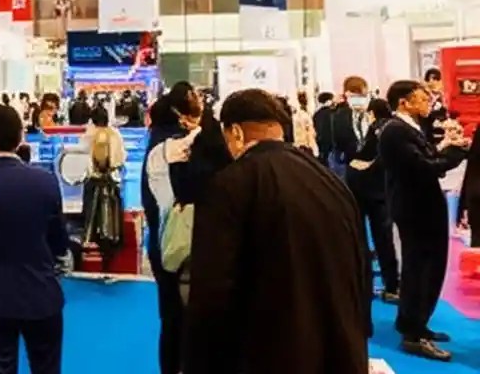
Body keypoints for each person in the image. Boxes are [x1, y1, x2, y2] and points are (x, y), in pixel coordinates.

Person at [184, 89, 367, 374]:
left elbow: (213, 284)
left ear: (235, 132)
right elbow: (360, 264)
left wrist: (201, 359)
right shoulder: (328, 179)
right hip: (336, 340)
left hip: (269, 347)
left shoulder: (229, 184)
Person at [0, 104, 67, 374]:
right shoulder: (45, 181)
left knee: (0, 368)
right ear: (19, 137)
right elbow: (59, 243)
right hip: (41, 293)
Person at [379, 79, 469, 361]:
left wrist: (448, 151)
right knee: (419, 269)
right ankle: (412, 332)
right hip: (415, 210)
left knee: (430, 267)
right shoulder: (395, 131)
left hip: (425, 206)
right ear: (404, 102)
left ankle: (418, 322)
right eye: (421, 98)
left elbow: (429, 158)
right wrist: (456, 155)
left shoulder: (411, 128)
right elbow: (424, 166)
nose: (427, 103)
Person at [141, 81, 203, 374]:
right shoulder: (173, 147)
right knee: (184, 321)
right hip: (179, 242)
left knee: (171, 320)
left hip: (162, 241)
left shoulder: (156, 141)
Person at [342, 95, 399, 302]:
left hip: (367, 189)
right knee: (382, 240)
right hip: (377, 191)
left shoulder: (379, 129)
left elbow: (368, 156)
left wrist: (358, 165)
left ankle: (369, 284)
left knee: (365, 238)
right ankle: (390, 284)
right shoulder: (388, 128)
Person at [81, 107, 124, 259]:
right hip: (111, 181)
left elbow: (84, 161)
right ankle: (112, 240)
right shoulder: (115, 134)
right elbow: (120, 158)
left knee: (90, 216)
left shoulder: (89, 135)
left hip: (93, 181)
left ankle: (88, 240)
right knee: (111, 216)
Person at [313, 92, 337, 165]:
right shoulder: (332, 113)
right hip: (331, 144)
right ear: (328, 101)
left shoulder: (316, 114)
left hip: (320, 143)